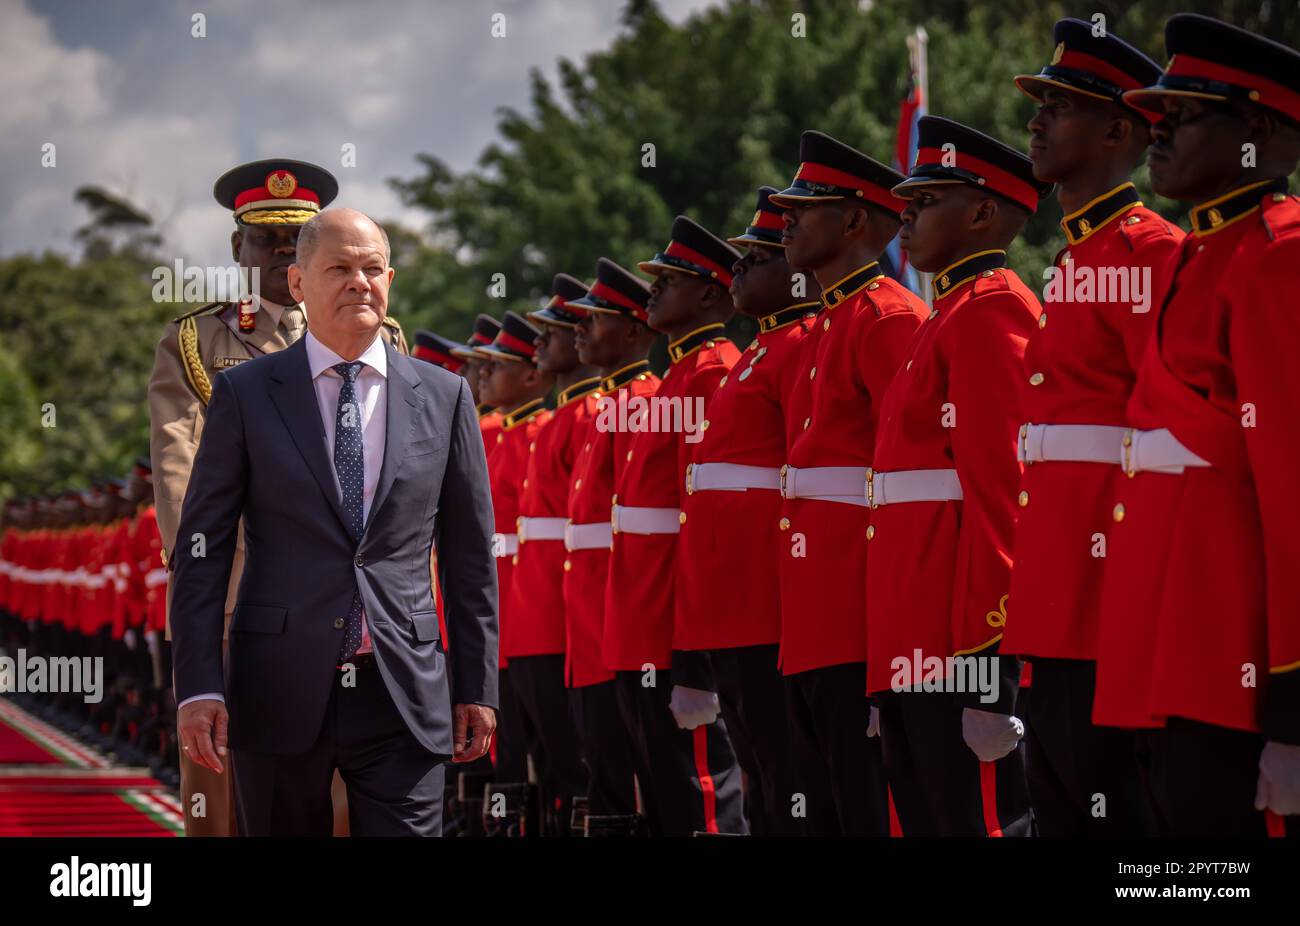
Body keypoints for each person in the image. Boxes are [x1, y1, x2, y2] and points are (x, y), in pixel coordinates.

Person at [169, 208, 498, 836]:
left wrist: (477, 685)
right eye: (339, 268)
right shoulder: (245, 393)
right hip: (278, 687)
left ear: (391, 279)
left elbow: (469, 556)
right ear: (298, 284)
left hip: (402, 688)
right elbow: (202, 551)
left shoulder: (444, 395)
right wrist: (198, 686)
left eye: (372, 269)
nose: (359, 283)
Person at [147, 159, 408, 836]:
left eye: (298, 242)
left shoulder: (383, 336)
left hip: (357, 596)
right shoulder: (197, 343)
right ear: (239, 248)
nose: (283, 256)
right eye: (267, 242)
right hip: (245, 587)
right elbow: (181, 474)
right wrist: (213, 581)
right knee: (228, 779)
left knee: (356, 780)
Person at [1093, 13, 1300, 836]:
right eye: (1156, 114)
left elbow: (1292, 499)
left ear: (1256, 128)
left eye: (1182, 114)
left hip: (1235, 669)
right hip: (1164, 660)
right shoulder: (1194, 257)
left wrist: (1291, 710)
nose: (1158, 129)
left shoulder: (1280, 257)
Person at [1000, 18, 1182, 836]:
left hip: (1112, 608)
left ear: (1118, 131)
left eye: (1058, 106)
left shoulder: (1150, 254)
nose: (1035, 122)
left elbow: (1174, 446)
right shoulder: (1077, 259)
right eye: (1037, 104)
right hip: (1054, 605)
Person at [867, 116, 1050, 836]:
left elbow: (1003, 496)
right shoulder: (944, 318)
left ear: (981, 213)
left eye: (925, 201)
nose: (904, 217)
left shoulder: (993, 310)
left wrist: (990, 667)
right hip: (911, 635)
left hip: (955, 643)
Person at [769, 131, 927, 835]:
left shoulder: (888, 319)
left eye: (806, 206)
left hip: (862, 618)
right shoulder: (829, 324)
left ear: (858, 222)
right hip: (816, 620)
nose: (787, 221)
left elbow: (911, 483)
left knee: (870, 809)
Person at [674, 187, 818, 835]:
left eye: (758, 257)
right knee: (763, 776)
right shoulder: (756, 355)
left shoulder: (798, 347)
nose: (740, 270)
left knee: (791, 778)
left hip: (773, 607)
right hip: (733, 609)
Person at [601, 216, 746, 837]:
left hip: (671, 623)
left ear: (712, 295)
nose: (653, 291)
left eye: (671, 280)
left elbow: (703, 527)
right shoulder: (680, 378)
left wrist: (694, 654)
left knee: (700, 793)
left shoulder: (713, 373)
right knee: (662, 791)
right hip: (642, 620)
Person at [505, 275, 602, 835]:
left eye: (555, 331)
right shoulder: (554, 423)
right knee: (545, 758)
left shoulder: (589, 415)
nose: (542, 344)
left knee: (580, 760)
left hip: (566, 619)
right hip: (534, 614)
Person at [564, 258, 659, 823]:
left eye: (593, 319)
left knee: (642, 770)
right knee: (601, 765)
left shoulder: (649, 403)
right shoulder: (602, 407)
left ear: (630, 330)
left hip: (623, 615)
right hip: (595, 616)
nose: (581, 330)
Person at [474, 311, 555, 791]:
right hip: (507, 609)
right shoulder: (495, 433)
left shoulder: (537, 429)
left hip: (530, 606)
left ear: (531, 374)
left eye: (496, 365)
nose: (483, 375)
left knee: (548, 753)